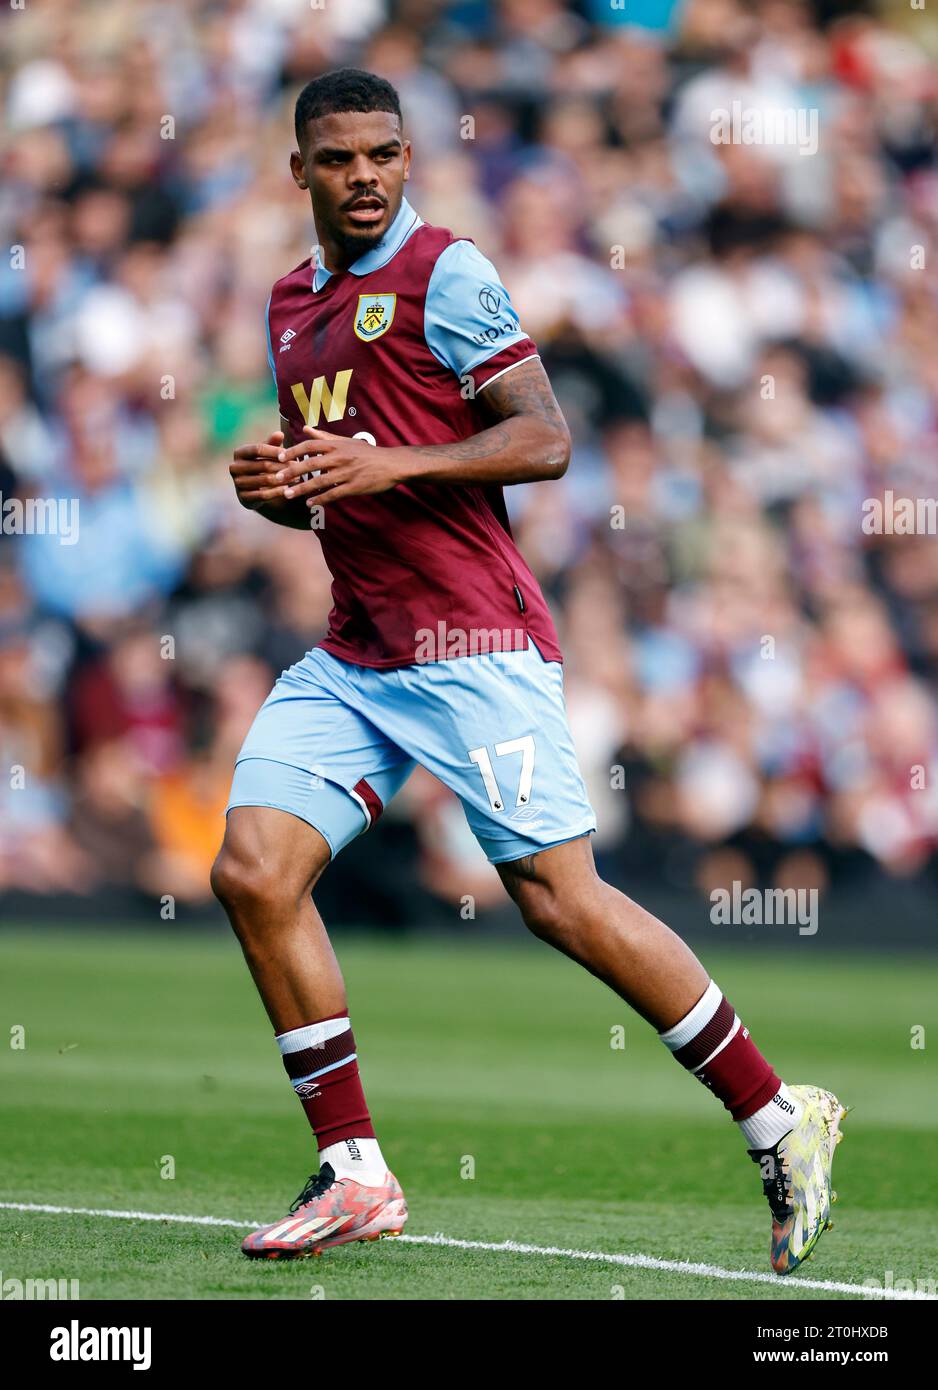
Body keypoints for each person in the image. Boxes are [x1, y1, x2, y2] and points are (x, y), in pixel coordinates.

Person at [211, 68, 845, 1271]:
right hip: (359, 648)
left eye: (383, 156)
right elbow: (336, 489)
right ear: (297, 170)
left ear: (408, 160)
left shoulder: (446, 271)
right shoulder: (288, 304)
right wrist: (280, 495)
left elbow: (543, 438)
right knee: (252, 868)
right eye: (338, 159)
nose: (363, 177)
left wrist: (386, 465)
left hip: (473, 642)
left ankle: (778, 1116)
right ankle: (356, 1174)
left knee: (559, 900)